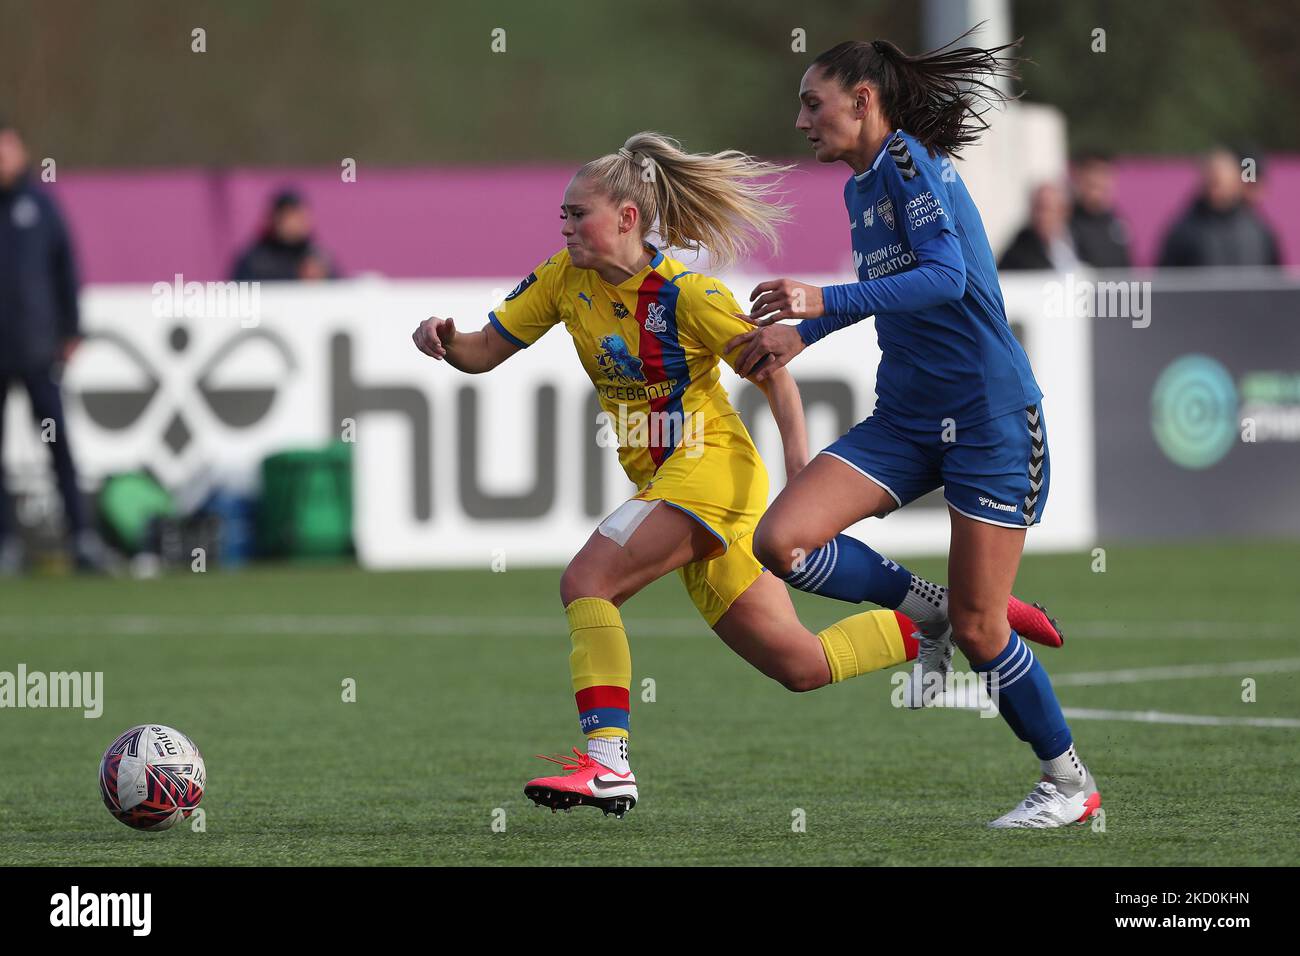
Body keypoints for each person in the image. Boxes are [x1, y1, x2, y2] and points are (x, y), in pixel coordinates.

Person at [412, 131, 1064, 818]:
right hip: (668, 487)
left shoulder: (686, 294)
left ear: (628, 219)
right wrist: (444, 340)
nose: (567, 226)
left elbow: (772, 374)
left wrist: (797, 466)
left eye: (580, 214)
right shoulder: (560, 280)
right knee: (802, 666)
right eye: (564, 216)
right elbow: (483, 351)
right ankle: (964, 619)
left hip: (711, 475)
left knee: (588, 580)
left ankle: (606, 763)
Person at [726, 34, 1101, 828]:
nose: (800, 120)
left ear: (863, 101)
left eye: (812, 102)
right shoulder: (865, 183)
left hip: (990, 419)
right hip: (907, 417)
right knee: (782, 542)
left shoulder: (908, 165)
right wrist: (805, 335)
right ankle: (920, 607)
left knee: (981, 628)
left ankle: (1067, 784)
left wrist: (820, 304)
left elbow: (946, 278)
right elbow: (889, 291)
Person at [0, 117, 107, 574]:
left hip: (38, 349)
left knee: (58, 444)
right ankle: (5, 545)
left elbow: (66, 269)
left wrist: (71, 329)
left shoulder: (42, 208)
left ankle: (81, 538)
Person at [1158, 147, 1281, 268]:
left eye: (1220, 178)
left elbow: (1274, 279)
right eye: (1212, 177)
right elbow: (1167, 279)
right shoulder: (1184, 230)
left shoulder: (1258, 231)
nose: (1215, 181)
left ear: (1237, 179)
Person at [230, 189, 338, 281]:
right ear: (275, 219)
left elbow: (341, 292)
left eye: (299, 217)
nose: (294, 223)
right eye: (289, 217)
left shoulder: (317, 258)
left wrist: (322, 279)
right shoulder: (255, 260)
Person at [1069, 150, 1131, 268]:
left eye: (1104, 174)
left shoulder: (1117, 222)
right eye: (1091, 173)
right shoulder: (1066, 224)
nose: (1098, 180)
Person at [997, 182, 1079, 271]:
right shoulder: (1019, 250)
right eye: (1037, 208)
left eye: (1047, 209)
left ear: (1064, 211)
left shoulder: (1079, 237)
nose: (1041, 216)